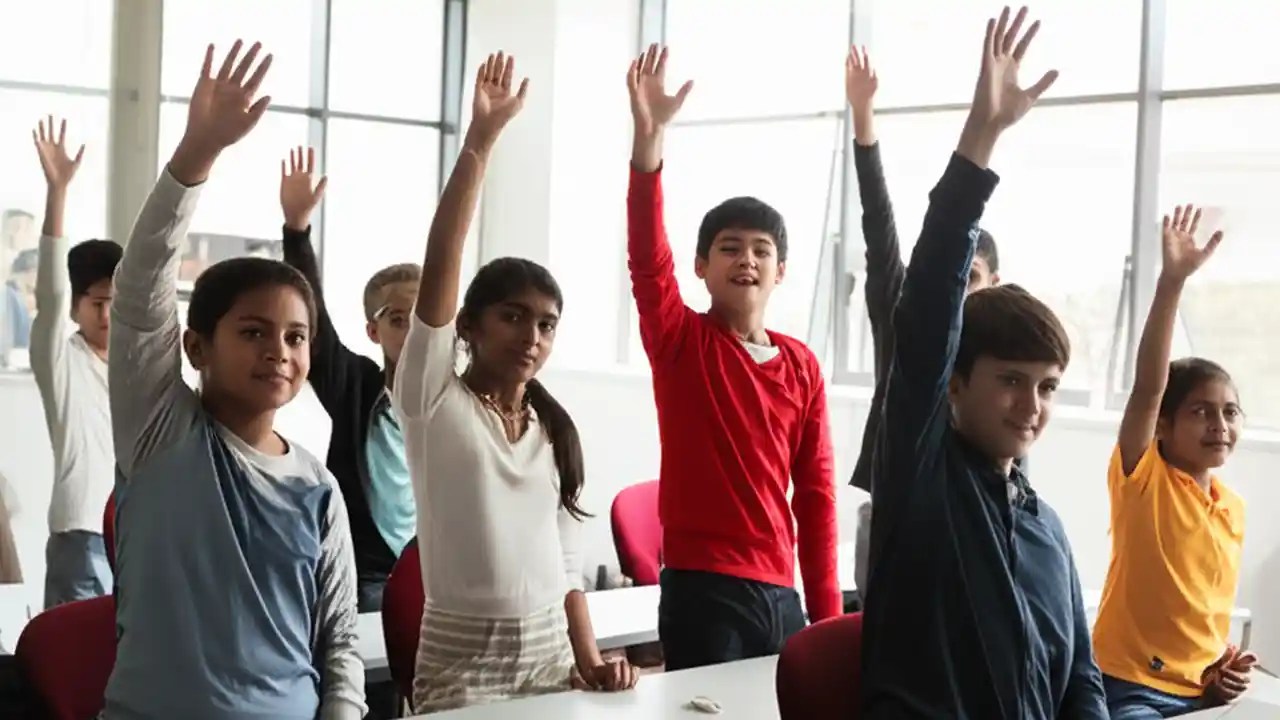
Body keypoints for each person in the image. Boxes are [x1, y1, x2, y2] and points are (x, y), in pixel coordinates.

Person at [103, 40, 364, 719]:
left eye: (295, 337)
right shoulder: (160, 433)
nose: (278, 350)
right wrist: (198, 152)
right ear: (196, 346)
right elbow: (139, 292)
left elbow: (339, 642)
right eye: (253, 331)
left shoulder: (317, 488)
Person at [860, 7, 1107, 717]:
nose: (1031, 406)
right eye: (1010, 381)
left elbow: (1082, 681)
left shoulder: (1046, 528)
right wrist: (983, 136)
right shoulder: (919, 476)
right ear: (956, 386)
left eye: (1048, 387)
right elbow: (932, 300)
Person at [393, 52, 637, 714]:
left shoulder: (551, 428)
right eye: (514, 317)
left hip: (552, 658)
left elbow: (564, 564)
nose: (532, 336)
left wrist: (591, 661)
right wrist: (479, 142)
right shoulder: (432, 401)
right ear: (469, 325)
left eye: (547, 325)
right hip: (462, 663)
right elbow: (442, 260)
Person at [626, 43, 840, 671]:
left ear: (781, 270)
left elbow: (817, 496)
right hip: (703, 587)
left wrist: (827, 620)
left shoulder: (801, 365)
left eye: (761, 250)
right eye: (729, 248)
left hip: (781, 591)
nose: (746, 259)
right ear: (702, 266)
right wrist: (650, 144)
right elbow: (646, 259)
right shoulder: (680, 341)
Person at [842, 46, 1009, 596]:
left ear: (994, 285)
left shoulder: (1000, 349)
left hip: (972, 516)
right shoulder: (904, 315)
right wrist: (864, 121)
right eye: (952, 275)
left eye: (973, 276)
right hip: (897, 507)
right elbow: (878, 224)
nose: (960, 289)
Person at [1093, 203, 1254, 719]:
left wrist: (1220, 667)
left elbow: (1201, 613)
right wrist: (1171, 284)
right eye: (1201, 412)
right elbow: (1148, 388)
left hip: (1198, 694)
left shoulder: (1230, 508)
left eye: (1229, 412)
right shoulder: (1143, 481)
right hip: (1130, 688)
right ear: (1162, 424)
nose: (1220, 425)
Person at [279, 145, 418, 612]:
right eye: (399, 319)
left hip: (438, 567)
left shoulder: (456, 397)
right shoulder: (357, 388)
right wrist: (297, 232)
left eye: (426, 317)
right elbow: (313, 327)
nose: (415, 331)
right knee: (371, 675)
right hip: (369, 572)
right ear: (373, 331)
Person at [28, 115, 119, 608]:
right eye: (96, 301)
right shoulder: (60, 362)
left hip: (132, 533)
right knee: (75, 669)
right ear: (76, 307)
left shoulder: (134, 368)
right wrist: (57, 193)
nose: (107, 313)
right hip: (81, 531)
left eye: (116, 301)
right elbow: (49, 291)